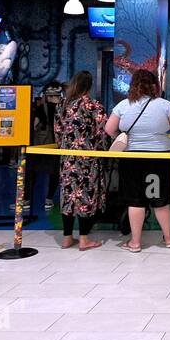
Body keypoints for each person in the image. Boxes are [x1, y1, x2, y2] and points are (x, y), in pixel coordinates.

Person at [105, 69, 170, 251]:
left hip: (132, 158)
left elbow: (109, 129)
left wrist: (124, 135)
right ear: (154, 85)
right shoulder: (165, 105)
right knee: (159, 199)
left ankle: (135, 242)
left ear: (132, 85)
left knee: (136, 200)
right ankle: (168, 239)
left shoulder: (123, 105)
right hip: (158, 158)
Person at [55, 71, 109, 250]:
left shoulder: (63, 105)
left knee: (69, 196)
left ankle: (67, 237)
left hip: (67, 159)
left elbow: (58, 132)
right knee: (86, 196)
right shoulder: (94, 106)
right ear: (89, 85)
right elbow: (103, 133)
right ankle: (84, 239)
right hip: (88, 159)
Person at [31, 80, 63, 209]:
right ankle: (49, 199)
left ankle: (26, 199)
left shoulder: (40, 108)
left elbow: (34, 125)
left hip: (41, 144)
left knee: (33, 171)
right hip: (58, 144)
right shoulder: (65, 108)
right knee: (55, 172)